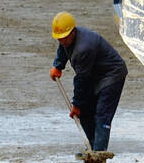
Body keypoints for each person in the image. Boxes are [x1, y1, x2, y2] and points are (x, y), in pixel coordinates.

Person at [49, 11, 128, 153]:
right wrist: (58, 65)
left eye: (64, 38)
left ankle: (99, 153)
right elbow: (63, 47)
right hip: (94, 74)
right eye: (59, 39)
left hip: (111, 75)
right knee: (84, 111)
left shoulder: (83, 48)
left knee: (102, 114)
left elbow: (81, 80)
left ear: (73, 32)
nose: (62, 41)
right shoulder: (67, 39)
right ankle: (92, 146)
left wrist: (77, 104)